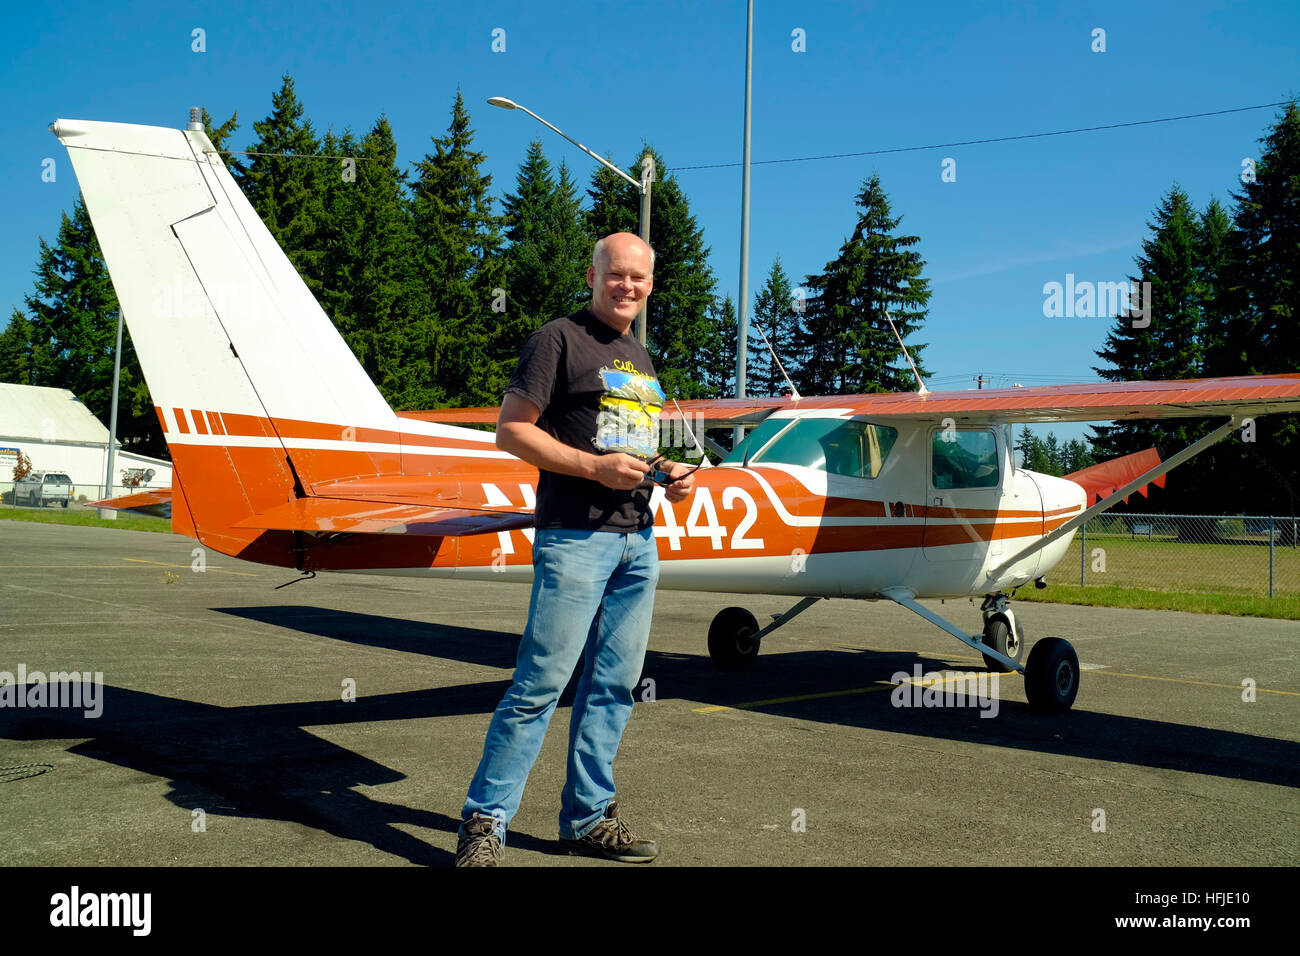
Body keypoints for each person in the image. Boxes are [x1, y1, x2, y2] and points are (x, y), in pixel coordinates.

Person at [455, 232, 695, 866]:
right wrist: (593, 470)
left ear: (650, 286)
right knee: (540, 684)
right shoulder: (556, 339)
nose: (628, 287)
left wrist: (667, 470)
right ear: (592, 275)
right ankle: (484, 824)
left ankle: (588, 819)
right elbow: (512, 431)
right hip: (575, 539)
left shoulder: (640, 358)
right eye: (617, 275)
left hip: (637, 542)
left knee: (614, 686)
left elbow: (630, 450)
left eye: (639, 279)